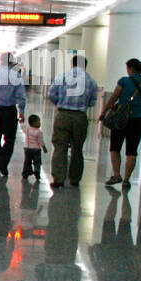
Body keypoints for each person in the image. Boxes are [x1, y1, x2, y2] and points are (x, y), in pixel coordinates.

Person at [98, 58, 141, 187]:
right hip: (138, 120)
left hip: (121, 119)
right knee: (132, 150)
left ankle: (116, 175)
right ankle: (127, 179)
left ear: (130, 69)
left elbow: (114, 97)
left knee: (115, 147)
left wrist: (103, 112)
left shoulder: (124, 81)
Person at [47, 55, 99, 188]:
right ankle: (74, 179)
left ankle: (58, 178)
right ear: (85, 65)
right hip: (80, 117)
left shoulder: (62, 77)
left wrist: (59, 103)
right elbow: (93, 102)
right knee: (77, 148)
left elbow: (51, 94)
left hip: (63, 115)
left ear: (72, 64)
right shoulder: (91, 82)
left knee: (60, 147)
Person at [21, 113, 47, 181]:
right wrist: (44, 148)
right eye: (38, 121)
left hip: (28, 149)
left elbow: (22, 127)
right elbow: (40, 141)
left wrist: (21, 121)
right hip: (36, 150)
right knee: (37, 162)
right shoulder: (39, 132)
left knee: (27, 162)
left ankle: (25, 173)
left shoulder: (27, 130)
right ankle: (37, 171)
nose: (40, 123)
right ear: (33, 123)